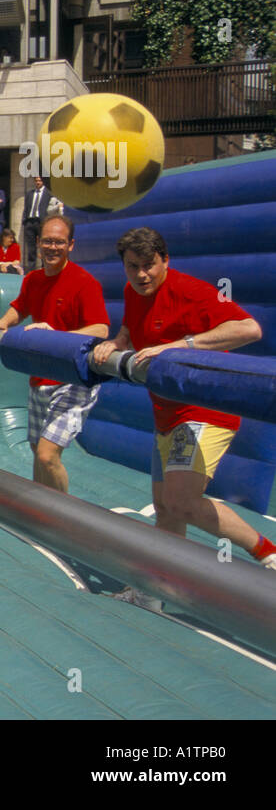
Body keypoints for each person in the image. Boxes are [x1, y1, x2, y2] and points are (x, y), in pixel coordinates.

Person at [92, 227, 275, 609]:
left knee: (183, 501)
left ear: (165, 261)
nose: (142, 275)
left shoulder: (190, 291)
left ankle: (267, 553)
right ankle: (158, 591)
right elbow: (132, 326)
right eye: (133, 267)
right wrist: (119, 342)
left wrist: (180, 345)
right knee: (165, 506)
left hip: (205, 410)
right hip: (167, 412)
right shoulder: (133, 291)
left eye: (149, 266)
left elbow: (248, 328)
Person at [0, 215, 109, 495]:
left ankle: (67, 518)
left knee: (47, 455)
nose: (53, 247)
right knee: (37, 449)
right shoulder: (33, 280)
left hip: (74, 380)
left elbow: (100, 329)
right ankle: (43, 514)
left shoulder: (85, 283)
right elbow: (20, 307)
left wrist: (56, 338)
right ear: (38, 244)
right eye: (47, 241)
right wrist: (2, 323)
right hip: (40, 378)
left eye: (59, 242)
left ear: (71, 245)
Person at [22, 176, 57, 270]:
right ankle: (30, 270)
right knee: (31, 248)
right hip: (30, 222)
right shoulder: (30, 193)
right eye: (36, 181)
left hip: (42, 223)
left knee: (43, 246)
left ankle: (43, 268)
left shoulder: (49, 193)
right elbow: (26, 208)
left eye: (40, 180)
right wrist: (24, 221)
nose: (38, 182)